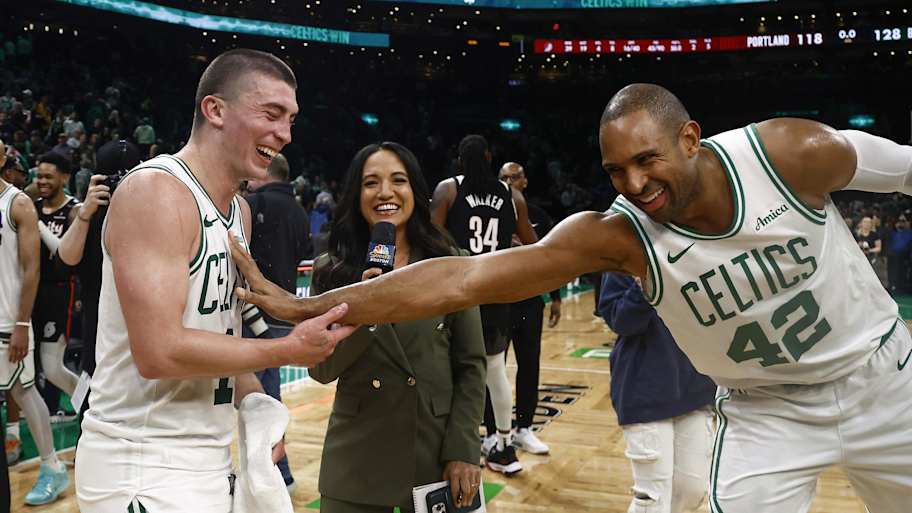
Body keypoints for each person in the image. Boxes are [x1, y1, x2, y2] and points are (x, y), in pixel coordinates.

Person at [235, 83, 912, 512]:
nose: (635, 183)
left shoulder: (789, 153)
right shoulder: (619, 233)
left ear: (690, 137)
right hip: (768, 414)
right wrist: (300, 305)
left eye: (649, 160)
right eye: (617, 169)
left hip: (885, 382)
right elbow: (459, 278)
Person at [74, 49, 355, 513]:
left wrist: (255, 406)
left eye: (290, 120)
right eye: (271, 114)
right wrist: (286, 351)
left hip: (205, 459)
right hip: (141, 464)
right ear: (216, 110)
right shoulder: (157, 192)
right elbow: (159, 351)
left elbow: (216, 342)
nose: (284, 134)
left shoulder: (239, 211)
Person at [309, 142, 486, 512]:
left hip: (435, 459)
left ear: (415, 191)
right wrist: (368, 305)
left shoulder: (451, 265)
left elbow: (471, 366)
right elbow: (322, 369)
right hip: (355, 467)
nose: (385, 192)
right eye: (371, 182)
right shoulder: (330, 271)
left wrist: (464, 449)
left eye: (398, 180)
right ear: (356, 194)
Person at [429, 135, 537, 475]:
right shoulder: (511, 195)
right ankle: (504, 448)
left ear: (460, 160)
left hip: (458, 290)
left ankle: (453, 447)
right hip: (494, 292)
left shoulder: (449, 189)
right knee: (495, 372)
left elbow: (431, 238)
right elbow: (533, 245)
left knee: (448, 371)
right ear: (490, 158)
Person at [599, 272, 717, 513]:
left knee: (692, 491)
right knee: (652, 500)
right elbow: (621, 320)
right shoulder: (626, 251)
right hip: (644, 387)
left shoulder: (702, 250)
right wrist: (645, 284)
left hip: (695, 386)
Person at [0, 140, 70, 506]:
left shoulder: (17, 203)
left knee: (24, 391)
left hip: (9, 320)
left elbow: (32, 268)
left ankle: (52, 466)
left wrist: (22, 323)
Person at [241, 151, 311, 493]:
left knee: (258, 399)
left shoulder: (252, 203)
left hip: (254, 314)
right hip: (286, 310)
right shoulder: (299, 211)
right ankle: (277, 473)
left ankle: (275, 474)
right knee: (268, 395)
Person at [493, 161, 561, 455]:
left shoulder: (539, 216)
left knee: (529, 364)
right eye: (503, 177)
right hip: (497, 301)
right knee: (493, 369)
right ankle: (494, 433)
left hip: (531, 301)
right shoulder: (489, 215)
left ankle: (525, 428)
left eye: (514, 177)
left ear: (525, 181)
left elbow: (551, 258)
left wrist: (555, 296)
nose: (509, 181)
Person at [31, 151, 80, 415]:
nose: (42, 181)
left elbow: (66, 254)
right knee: (31, 367)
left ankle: (91, 401)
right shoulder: (33, 206)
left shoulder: (75, 211)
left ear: (64, 177)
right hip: (32, 292)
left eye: (48, 176)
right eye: (38, 176)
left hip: (60, 292)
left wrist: (37, 225)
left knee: (51, 368)